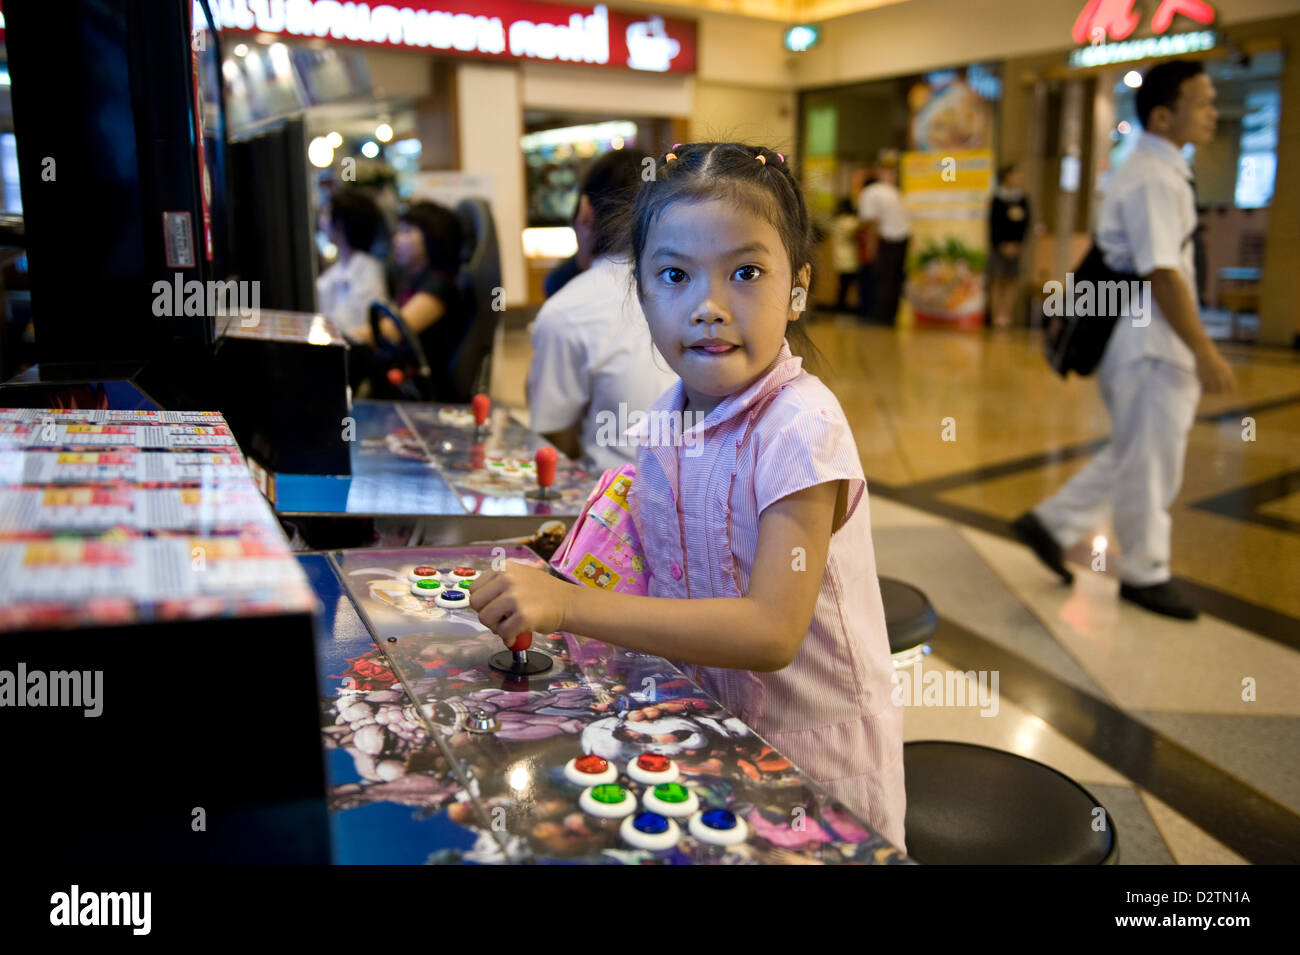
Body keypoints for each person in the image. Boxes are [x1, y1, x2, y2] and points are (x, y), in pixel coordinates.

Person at [474, 142, 906, 850]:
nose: (707, 306)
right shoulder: (663, 422)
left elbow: (771, 630)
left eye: (745, 272)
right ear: (641, 292)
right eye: (674, 275)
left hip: (814, 770)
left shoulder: (802, 425)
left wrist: (572, 604)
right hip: (708, 739)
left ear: (797, 286)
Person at [1012, 60, 1236, 621]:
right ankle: (1144, 571)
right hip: (1149, 342)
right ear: (1163, 114)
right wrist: (1204, 351)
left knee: (1141, 449)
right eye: (1203, 102)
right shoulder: (1155, 177)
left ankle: (1053, 524)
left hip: (1138, 337)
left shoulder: (1150, 169)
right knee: (1153, 459)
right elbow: (1163, 274)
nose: (1213, 113)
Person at [527, 148, 677, 472]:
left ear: (584, 211)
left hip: (613, 509)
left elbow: (552, 436)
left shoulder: (567, 310)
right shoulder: (706, 296)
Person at [350, 200, 471, 401]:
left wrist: (341, 338)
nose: (397, 239)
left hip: (426, 393)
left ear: (433, 237)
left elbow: (393, 330)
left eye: (407, 232)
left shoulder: (440, 285)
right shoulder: (413, 280)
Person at [315, 187, 389, 338]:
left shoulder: (368, 272)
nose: (321, 221)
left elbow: (350, 329)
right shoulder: (341, 267)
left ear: (341, 224)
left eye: (327, 214)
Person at [857, 157, 910, 325]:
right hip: (903, 239)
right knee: (894, 280)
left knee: (881, 278)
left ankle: (877, 318)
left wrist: (871, 249)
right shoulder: (891, 190)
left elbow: (872, 223)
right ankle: (889, 317)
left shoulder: (868, 193)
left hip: (887, 239)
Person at [987, 163, 1030, 328]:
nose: (1017, 178)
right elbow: (993, 224)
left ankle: (1007, 315)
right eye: (1014, 174)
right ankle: (996, 315)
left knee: (1011, 280)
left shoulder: (1023, 199)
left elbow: (1026, 223)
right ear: (1006, 177)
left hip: (1016, 247)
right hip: (999, 246)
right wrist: (1002, 244)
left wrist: (1017, 244)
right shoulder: (997, 199)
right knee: (997, 278)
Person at [830, 198, 860, 314]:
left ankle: (840, 306)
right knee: (849, 284)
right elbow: (855, 231)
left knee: (842, 284)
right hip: (850, 257)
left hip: (839, 255)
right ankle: (844, 307)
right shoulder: (850, 221)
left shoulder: (837, 221)